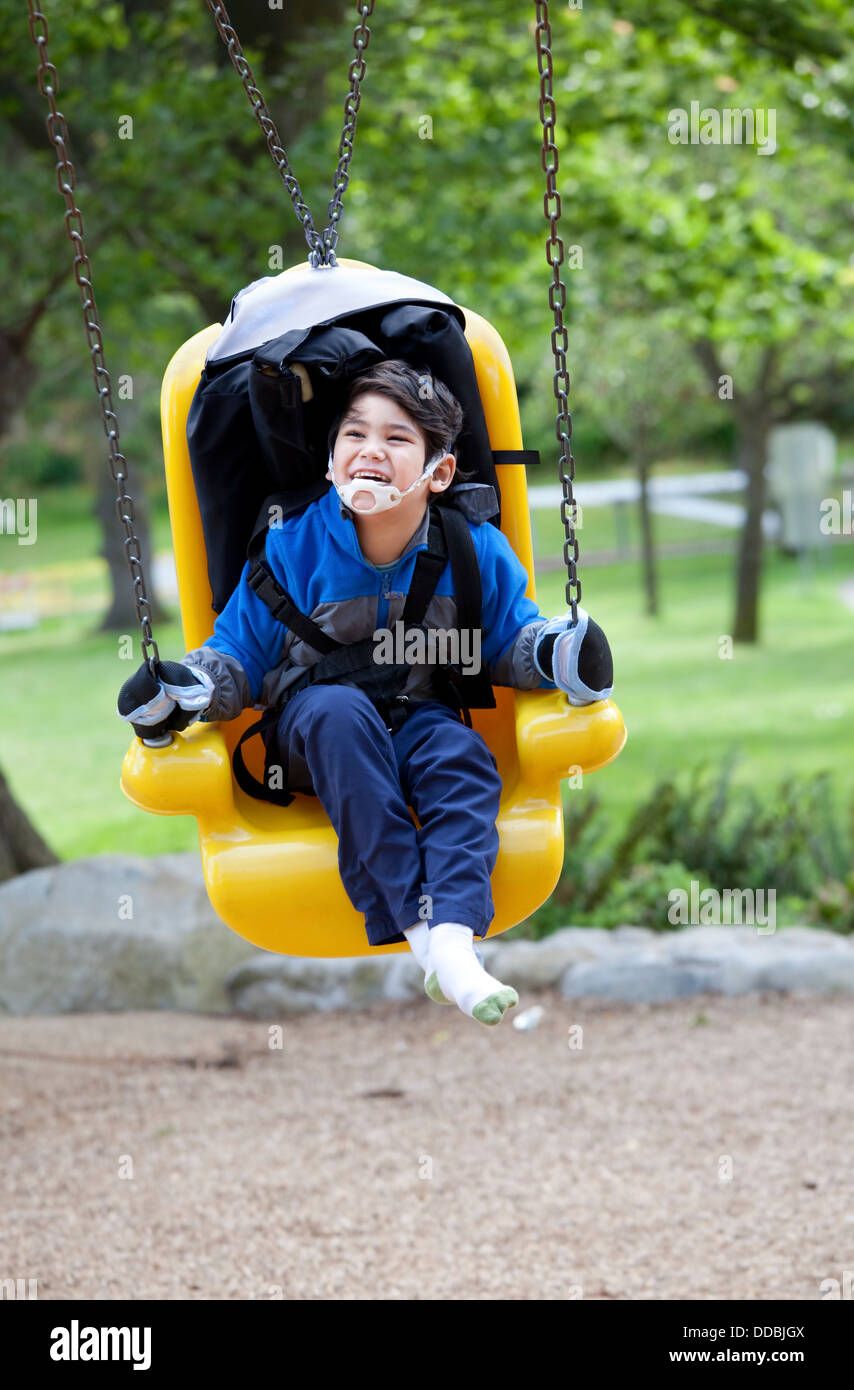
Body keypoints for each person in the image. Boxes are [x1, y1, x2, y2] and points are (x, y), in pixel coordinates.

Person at [118, 359, 614, 1027]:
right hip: (309, 734)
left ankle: (454, 937)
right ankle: (416, 925)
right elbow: (235, 653)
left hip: (416, 717)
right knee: (339, 713)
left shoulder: (473, 548)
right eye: (354, 435)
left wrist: (560, 653)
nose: (370, 450)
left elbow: (509, 642)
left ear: (438, 472)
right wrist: (189, 691)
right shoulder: (292, 546)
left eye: (397, 438)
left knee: (461, 755)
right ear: (330, 463)